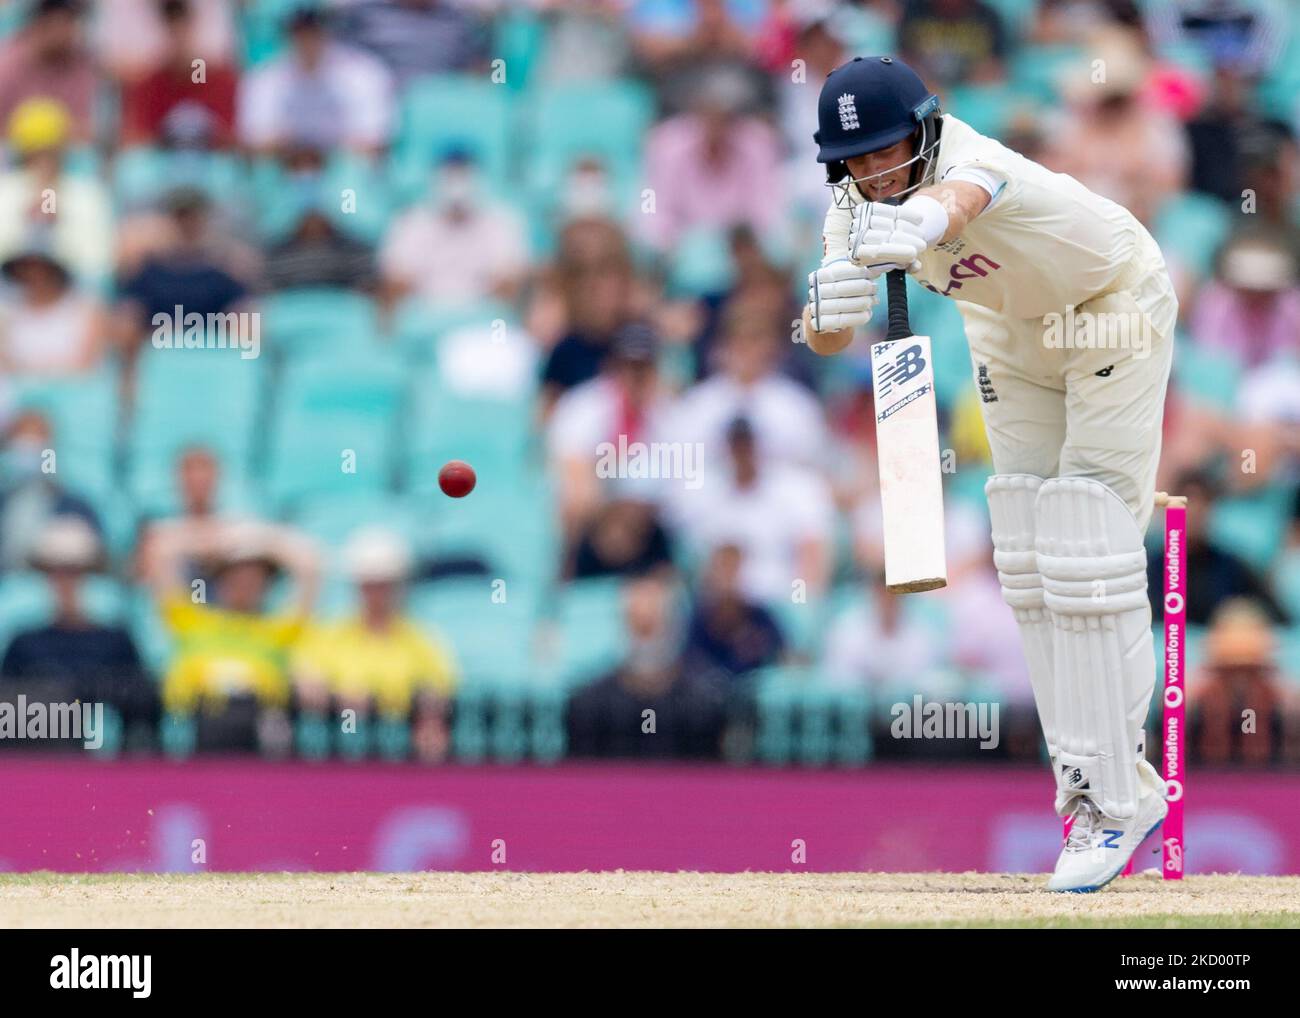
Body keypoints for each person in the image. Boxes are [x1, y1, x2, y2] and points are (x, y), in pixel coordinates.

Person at [802, 56, 1178, 890]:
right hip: (1009, 330)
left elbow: (963, 195)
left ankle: (1122, 799)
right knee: (1028, 551)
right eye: (855, 162)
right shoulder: (853, 205)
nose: (875, 173)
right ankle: (1086, 791)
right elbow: (830, 332)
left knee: (1087, 538)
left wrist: (925, 219)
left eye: (889, 151)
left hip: (1109, 303)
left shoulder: (972, 159)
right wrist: (823, 315)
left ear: (927, 131)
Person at [292, 528, 457, 762]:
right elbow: (307, 687)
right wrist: (341, 701)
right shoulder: (329, 635)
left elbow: (439, 694)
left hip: (403, 746)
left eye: (385, 584)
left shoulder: (421, 638)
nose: (377, 593)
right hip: (335, 745)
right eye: (370, 584)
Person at [1, 516, 157, 745]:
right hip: (40, 756)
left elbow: (143, 703)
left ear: (87, 575)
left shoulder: (115, 641)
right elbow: (8, 708)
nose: (64, 582)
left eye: (73, 571)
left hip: (109, 760)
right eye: (56, 572)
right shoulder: (25, 643)